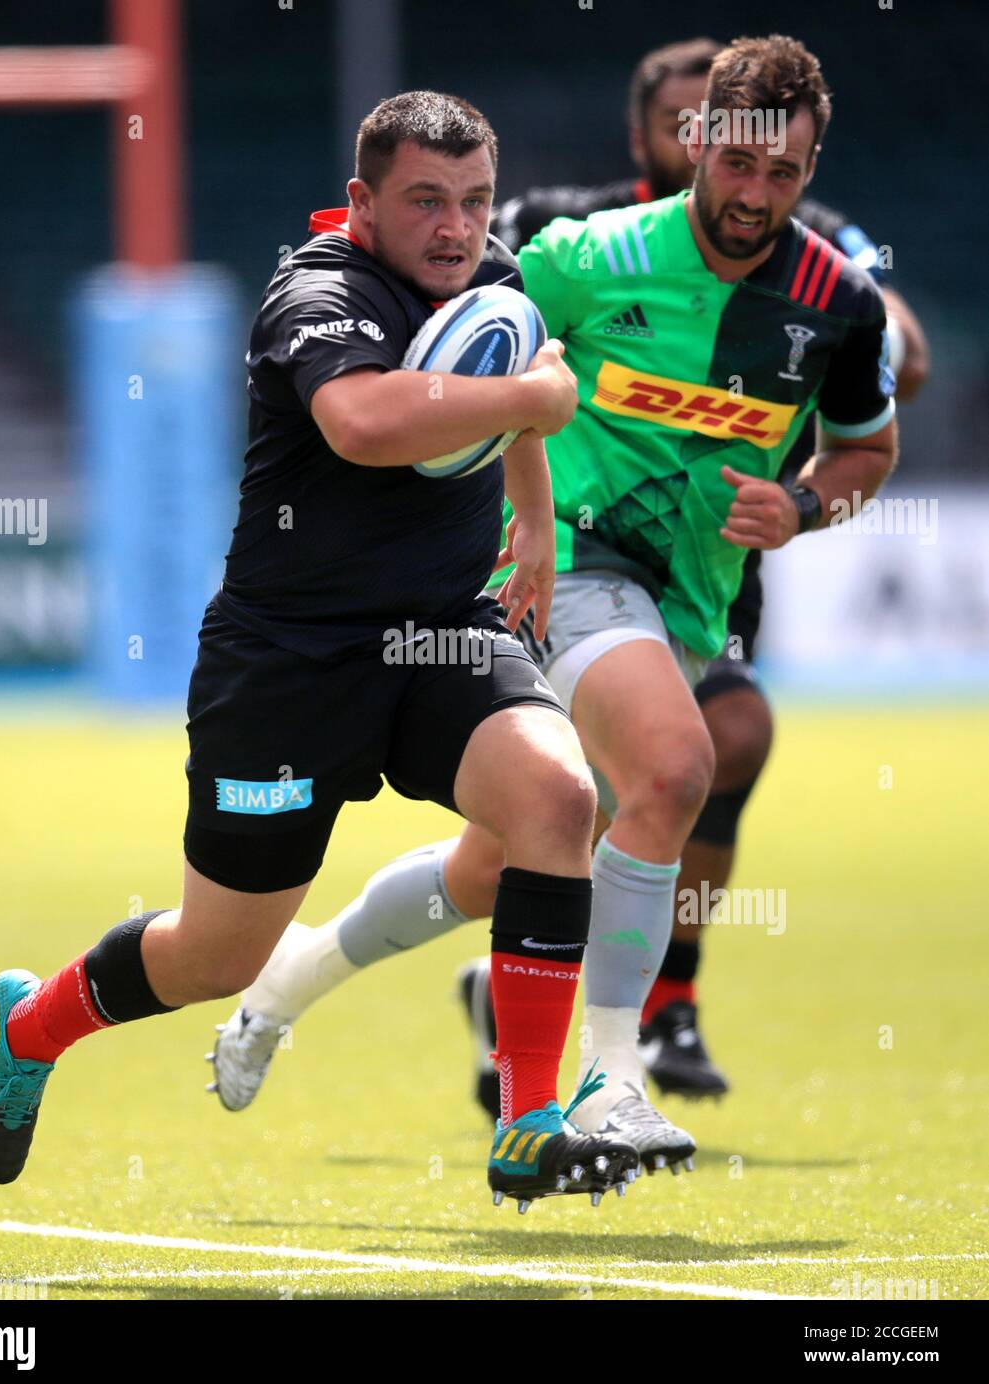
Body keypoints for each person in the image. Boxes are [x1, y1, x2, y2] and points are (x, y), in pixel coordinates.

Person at [0, 90, 641, 1211]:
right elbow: (367, 422)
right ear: (362, 203)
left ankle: (527, 1117)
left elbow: (509, 397)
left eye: (472, 200)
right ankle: (28, 1024)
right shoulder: (316, 292)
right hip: (288, 661)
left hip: (440, 632)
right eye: (424, 202)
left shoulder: (490, 276)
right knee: (215, 954)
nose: (455, 227)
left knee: (560, 799)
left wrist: (537, 514)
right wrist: (539, 399)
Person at [208, 37, 899, 1177]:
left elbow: (866, 448)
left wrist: (805, 501)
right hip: (559, 563)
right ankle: (614, 1078)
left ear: (809, 165)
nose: (754, 195)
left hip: (680, 601)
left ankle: (283, 983)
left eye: (784, 174)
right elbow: (465, 349)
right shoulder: (584, 257)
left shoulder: (836, 302)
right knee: (678, 765)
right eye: (737, 167)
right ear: (698, 144)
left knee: (509, 860)